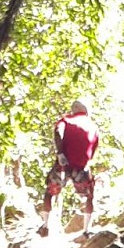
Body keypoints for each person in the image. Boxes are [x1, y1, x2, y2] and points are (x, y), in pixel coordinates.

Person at [40, 99, 99, 233]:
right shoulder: (93, 126)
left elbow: (57, 133)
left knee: (50, 192)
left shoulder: (65, 120)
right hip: (82, 167)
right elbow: (95, 148)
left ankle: (45, 226)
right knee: (89, 196)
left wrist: (60, 153)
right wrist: (86, 162)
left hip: (63, 165)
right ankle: (86, 230)